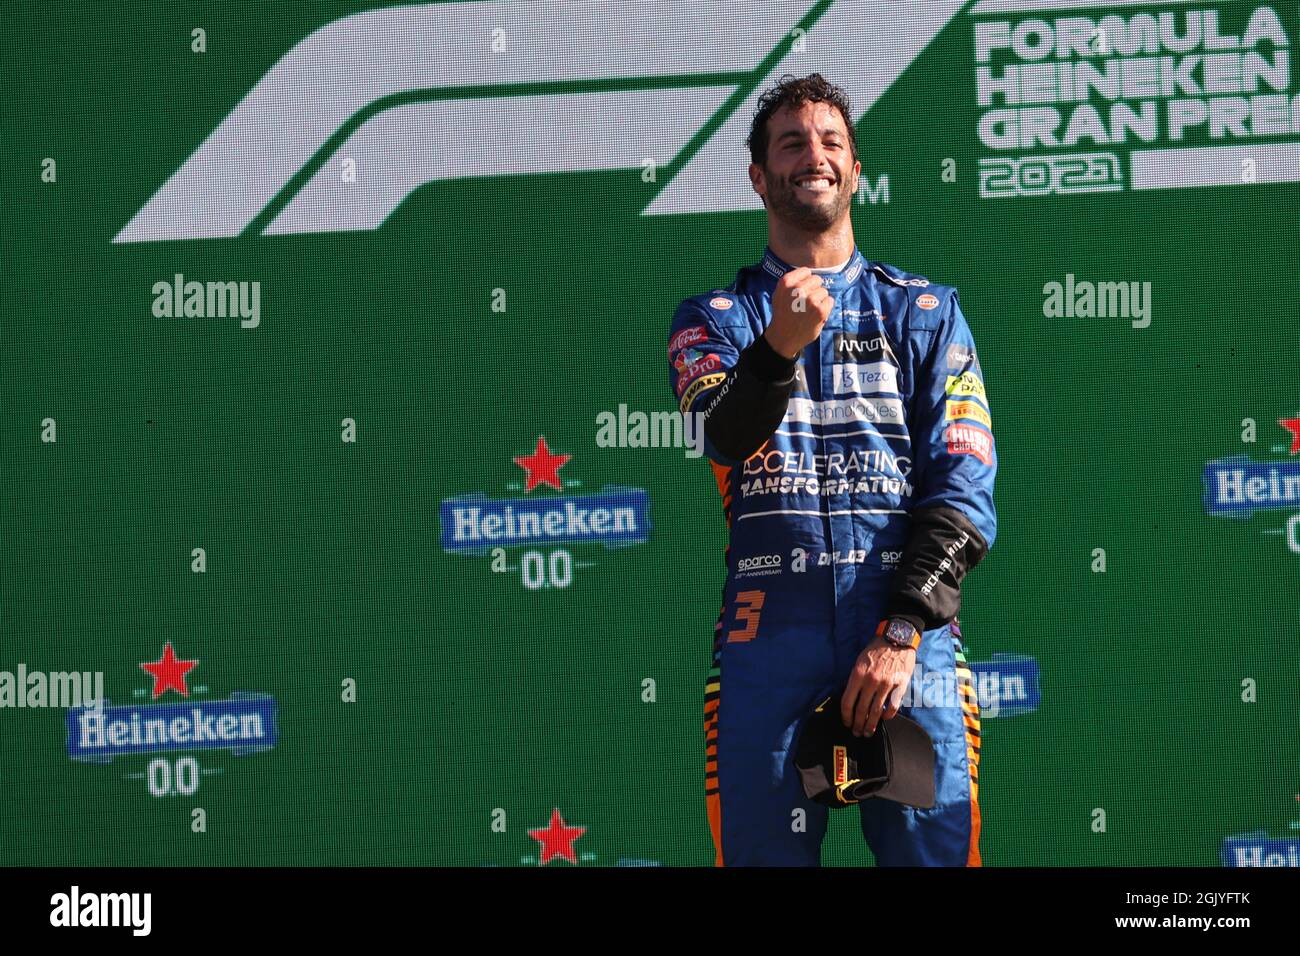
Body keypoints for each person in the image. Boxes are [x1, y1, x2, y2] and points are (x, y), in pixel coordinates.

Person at [667, 74, 997, 867]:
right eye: (790, 142)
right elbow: (722, 434)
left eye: (830, 142)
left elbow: (962, 493)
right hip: (763, 645)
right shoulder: (713, 319)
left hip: (907, 648)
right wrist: (780, 343)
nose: (812, 155)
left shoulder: (926, 312)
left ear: (854, 171)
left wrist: (901, 630)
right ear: (758, 176)